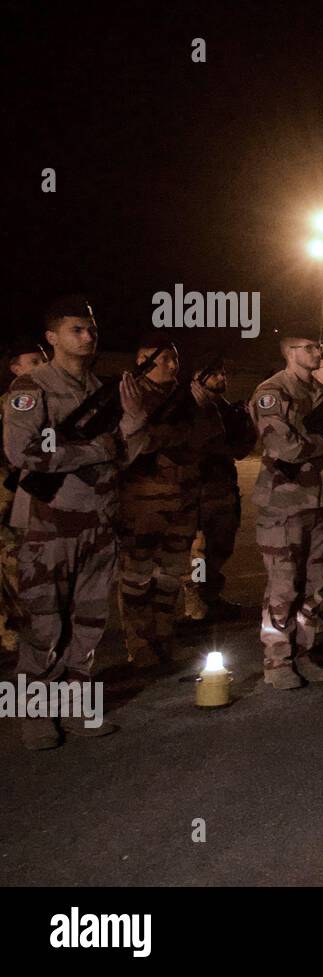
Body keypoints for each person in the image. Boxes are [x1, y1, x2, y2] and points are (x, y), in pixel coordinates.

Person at [4, 296, 136, 748]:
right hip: (50, 523)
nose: (87, 336)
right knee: (43, 623)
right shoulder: (31, 386)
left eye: (91, 329)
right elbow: (24, 453)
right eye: (77, 329)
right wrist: (92, 452)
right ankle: (36, 716)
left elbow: (122, 449)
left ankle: (78, 707)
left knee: (89, 621)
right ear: (52, 337)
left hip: (98, 520)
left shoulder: (102, 388)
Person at [250, 335, 323, 688]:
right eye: (310, 348)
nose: (318, 353)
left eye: (319, 348)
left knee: (317, 586)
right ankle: (277, 662)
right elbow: (287, 448)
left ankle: (304, 653)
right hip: (285, 506)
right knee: (283, 588)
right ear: (290, 352)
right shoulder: (272, 393)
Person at [116, 342, 222, 665]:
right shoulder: (131, 395)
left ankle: (163, 634)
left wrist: (196, 416)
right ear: (142, 362)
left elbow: (210, 438)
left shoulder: (188, 398)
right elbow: (134, 443)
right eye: (164, 359)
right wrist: (171, 434)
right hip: (142, 505)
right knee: (137, 577)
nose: (173, 365)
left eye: (175, 358)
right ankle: (139, 643)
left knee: (170, 575)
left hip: (184, 501)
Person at [184, 357, 258, 622]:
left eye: (223, 373)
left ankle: (210, 596)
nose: (221, 378)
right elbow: (205, 445)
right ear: (197, 377)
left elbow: (239, 450)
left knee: (220, 548)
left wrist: (249, 422)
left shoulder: (224, 409)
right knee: (199, 553)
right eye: (213, 373)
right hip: (198, 492)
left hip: (223, 489)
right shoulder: (189, 406)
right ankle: (195, 600)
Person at [1, 342, 48, 653]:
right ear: (15, 369)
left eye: (43, 359)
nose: (41, 365)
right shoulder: (17, 402)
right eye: (33, 361)